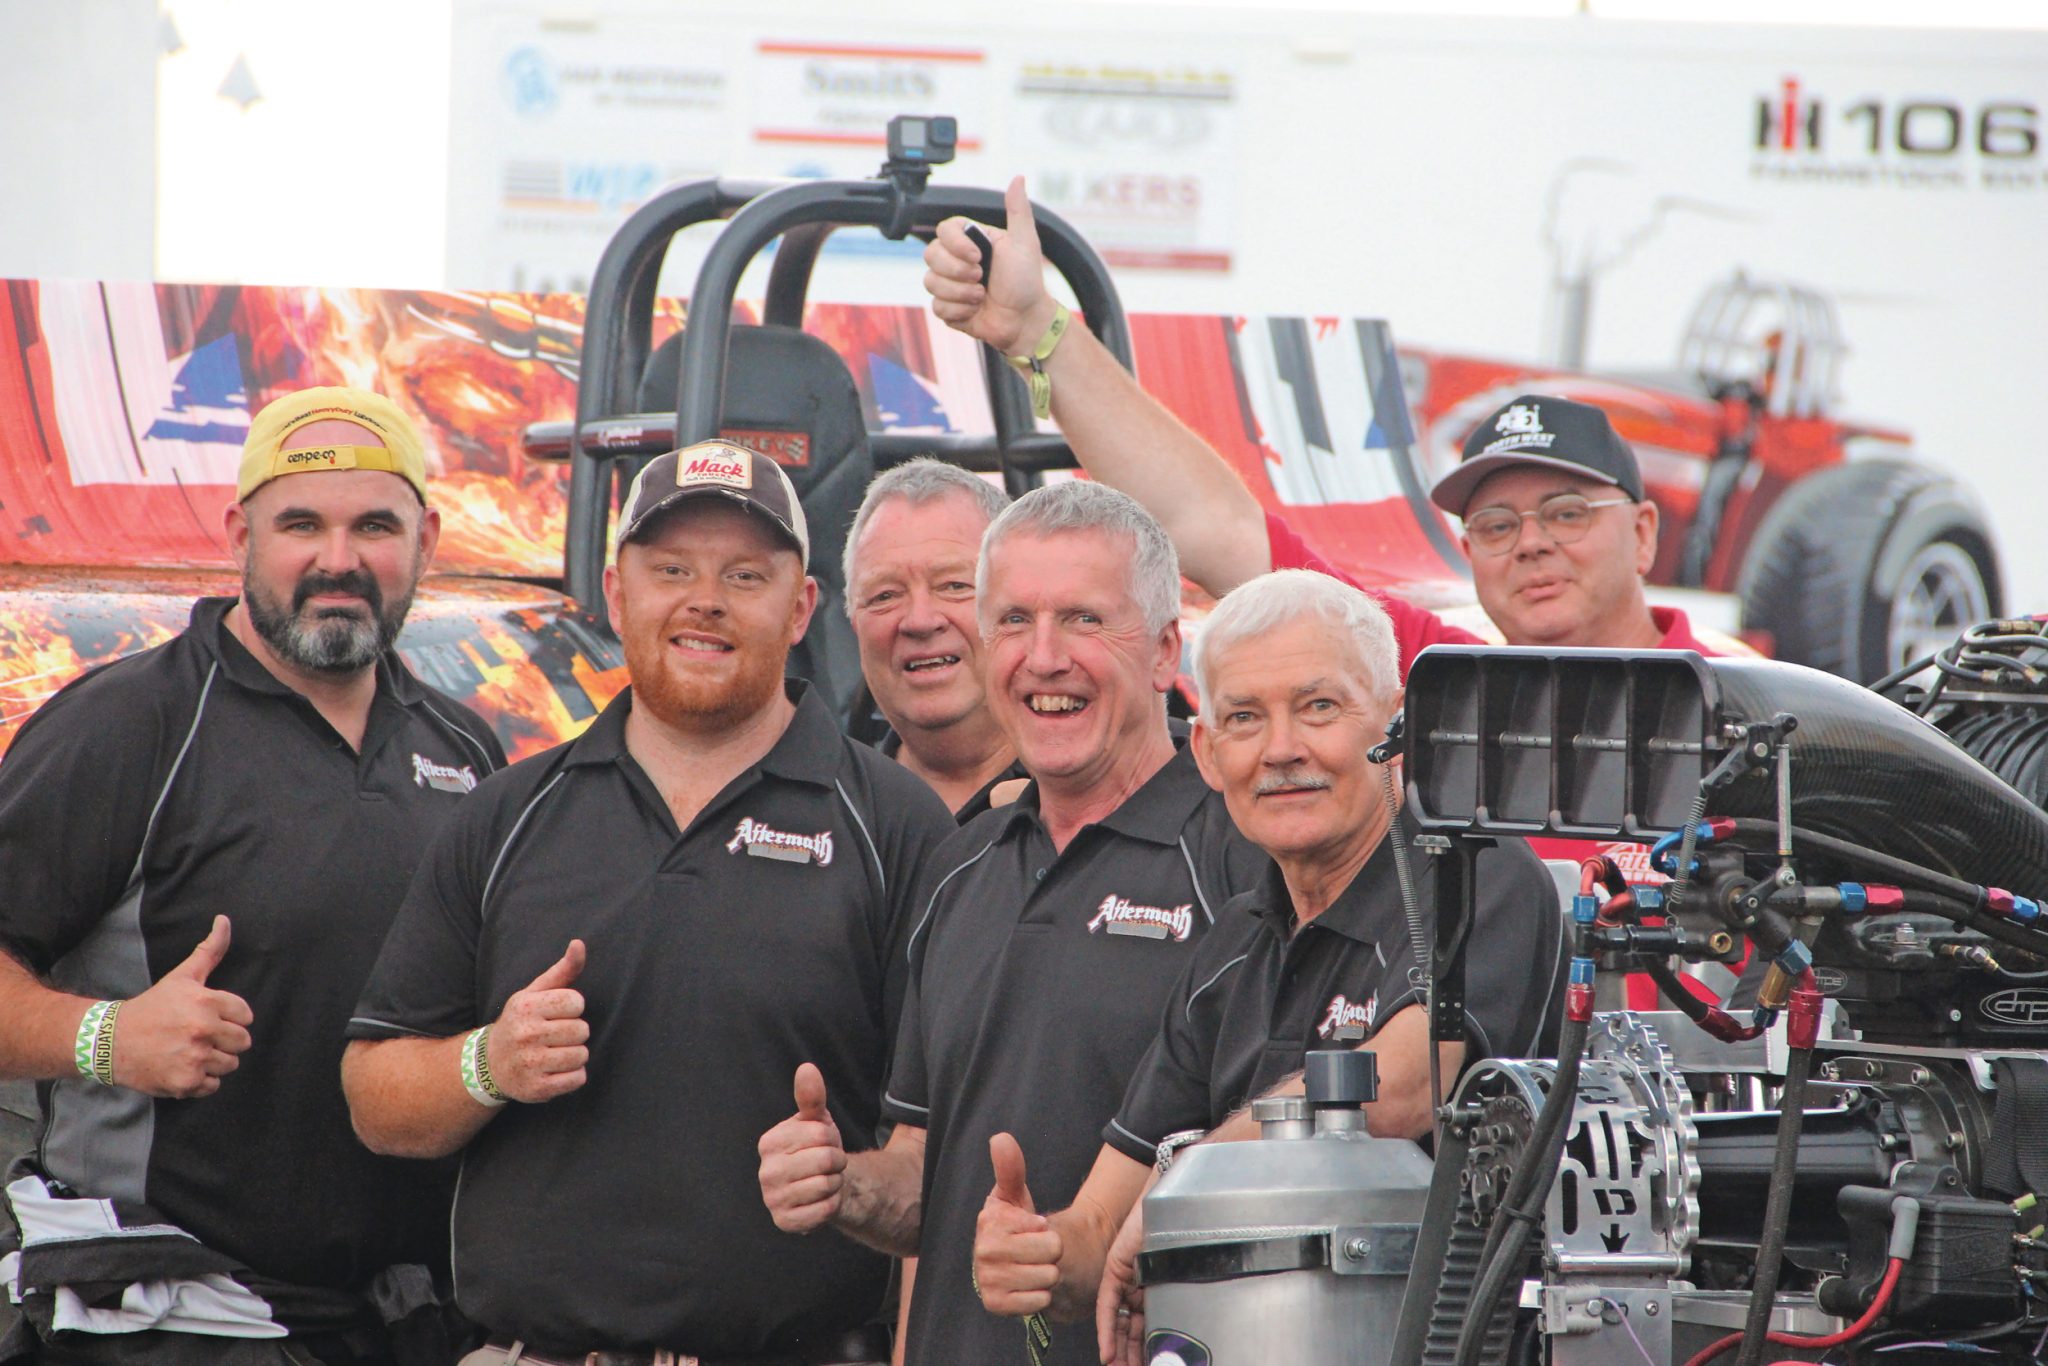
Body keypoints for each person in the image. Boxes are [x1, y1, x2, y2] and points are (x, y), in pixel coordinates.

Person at [342, 440, 953, 1365]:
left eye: (745, 574)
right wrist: (489, 1063)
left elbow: (948, 1153)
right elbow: (373, 1098)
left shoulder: (895, 824)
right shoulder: (507, 814)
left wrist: (848, 1186)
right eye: (671, 569)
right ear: (618, 594)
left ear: (802, 609)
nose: (703, 599)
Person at [0, 386, 503, 1365]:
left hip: (400, 1318)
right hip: (157, 1306)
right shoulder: (130, 725)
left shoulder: (465, 749)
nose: (339, 559)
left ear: (428, 538)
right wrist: (104, 1033)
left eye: (376, 525)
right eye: (301, 523)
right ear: (239, 530)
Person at [966, 570, 1562, 1364]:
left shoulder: (1475, 873)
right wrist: (1042, 1258)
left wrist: (1203, 1165)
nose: (1282, 750)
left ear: (1397, 731)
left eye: (1319, 707)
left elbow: (1412, 1078)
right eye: (1245, 718)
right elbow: (1107, 1236)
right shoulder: (1236, 942)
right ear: (1208, 755)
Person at [755, 483, 1271, 1366]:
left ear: (1162, 652)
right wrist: (844, 1182)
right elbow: (927, 1178)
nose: (1043, 658)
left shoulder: (1242, 854)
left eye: (1082, 621)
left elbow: (1303, 1146)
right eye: (1014, 622)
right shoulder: (961, 865)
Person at [920, 177, 1725, 662]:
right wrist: (1036, 330)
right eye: (1496, 524)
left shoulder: (1752, 720)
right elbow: (1209, 527)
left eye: (1566, 512)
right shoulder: (1432, 674)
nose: (1534, 542)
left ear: (1646, 533)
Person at [843, 458, 1022, 819]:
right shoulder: (823, 818)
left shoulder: (1111, 802)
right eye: (885, 596)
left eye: (954, 586)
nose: (920, 620)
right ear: (854, 625)